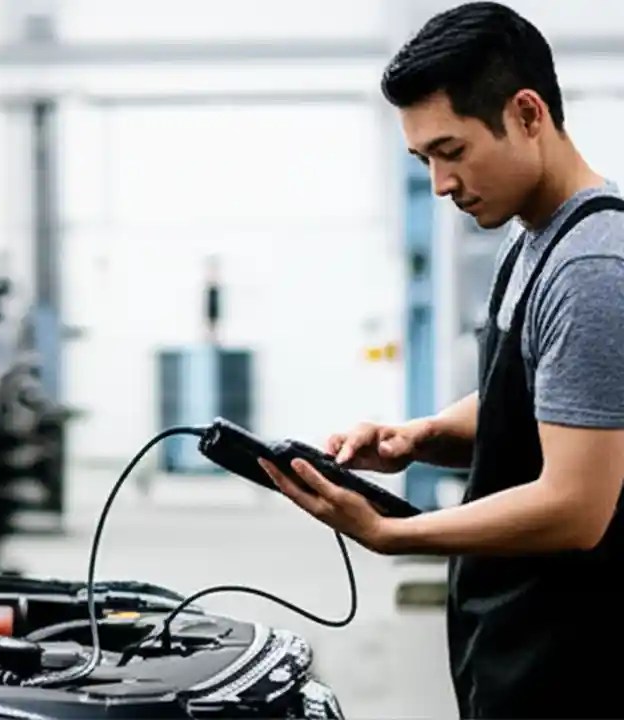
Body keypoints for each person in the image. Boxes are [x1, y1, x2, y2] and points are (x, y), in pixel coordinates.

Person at [256, 2, 624, 718]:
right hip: (523, 651)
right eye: (424, 160)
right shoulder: (533, 244)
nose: (441, 184)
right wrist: (422, 438)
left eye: (452, 152)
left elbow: (578, 507)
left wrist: (393, 534)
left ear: (527, 114)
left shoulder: (593, 266)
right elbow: (548, 400)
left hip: (580, 667)